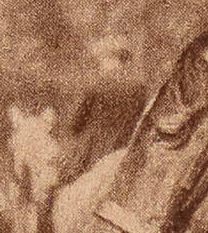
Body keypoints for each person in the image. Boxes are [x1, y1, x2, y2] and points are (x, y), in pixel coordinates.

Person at [62, 34, 146, 183]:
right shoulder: (140, 89)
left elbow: (76, 124)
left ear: (113, 59)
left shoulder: (98, 87)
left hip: (93, 154)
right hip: (124, 150)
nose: (101, 64)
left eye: (103, 59)